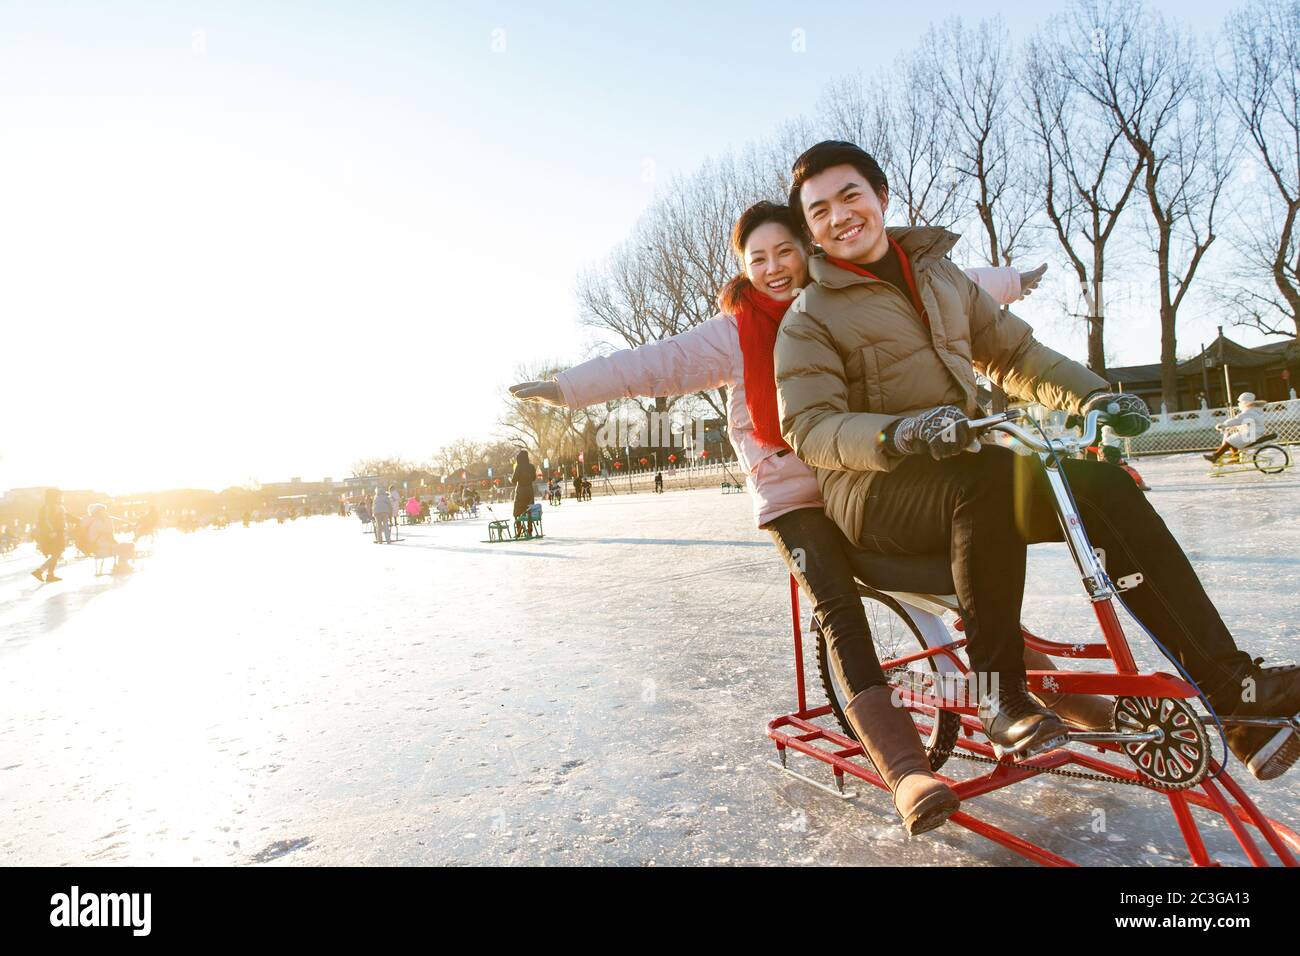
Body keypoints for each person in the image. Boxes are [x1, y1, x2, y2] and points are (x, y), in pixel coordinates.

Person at [510, 200, 1059, 835]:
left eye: (784, 252)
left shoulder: (841, 296)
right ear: (743, 268)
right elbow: (655, 364)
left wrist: (1011, 281)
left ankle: (1042, 693)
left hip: (861, 478)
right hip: (793, 499)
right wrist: (569, 386)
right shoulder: (733, 331)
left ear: (806, 250)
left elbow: (933, 288)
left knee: (967, 567)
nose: (773, 269)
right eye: (757, 259)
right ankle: (906, 769)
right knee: (840, 614)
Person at [774, 140, 1300, 779]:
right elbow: (811, 425)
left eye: (850, 196)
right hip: (876, 493)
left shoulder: (942, 278)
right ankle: (1001, 695)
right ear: (811, 229)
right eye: (820, 210)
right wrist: (906, 433)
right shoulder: (809, 317)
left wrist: (1095, 399)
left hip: (964, 469)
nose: (840, 216)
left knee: (1100, 483)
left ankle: (1230, 690)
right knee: (992, 476)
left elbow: (1017, 356)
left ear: (881, 198)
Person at [1204, 392, 1267, 463]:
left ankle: (1215, 456)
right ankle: (1236, 458)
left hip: (1253, 434)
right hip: (1253, 432)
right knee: (1232, 439)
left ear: (1245, 402)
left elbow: (1238, 419)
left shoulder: (1249, 411)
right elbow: (1243, 421)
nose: (1239, 403)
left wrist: (1224, 424)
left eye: (1240, 402)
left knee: (1230, 441)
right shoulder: (1252, 410)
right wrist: (1231, 427)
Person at [83, 502, 134, 574]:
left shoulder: (100, 521)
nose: (105, 513)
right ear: (97, 513)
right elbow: (109, 532)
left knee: (129, 545)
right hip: (100, 547)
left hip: (104, 544)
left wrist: (108, 520)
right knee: (126, 546)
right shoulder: (97, 523)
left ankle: (122, 564)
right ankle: (122, 565)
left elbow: (110, 534)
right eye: (103, 511)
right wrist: (109, 521)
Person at [33, 488, 67, 582]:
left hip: (58, 532)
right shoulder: (49, 506)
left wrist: (77, 520)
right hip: (53, 533)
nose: (61, 497)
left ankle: (50, 575)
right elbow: (46, 520)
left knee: (56, 553)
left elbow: (65, 516)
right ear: (54, 496)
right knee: (57, 553)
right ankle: (40, 571)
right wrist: (52, 531)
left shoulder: (57, 506)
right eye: (59, 495)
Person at [511, 450, 537, 520]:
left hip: (520, 492)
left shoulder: (518, 467)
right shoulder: (531, 466)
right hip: (529, 491)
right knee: (529, 508)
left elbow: (514, 480)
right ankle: (530, 525)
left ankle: (518, 527)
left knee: (517, 510)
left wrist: (511, 479)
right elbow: (534, 478)